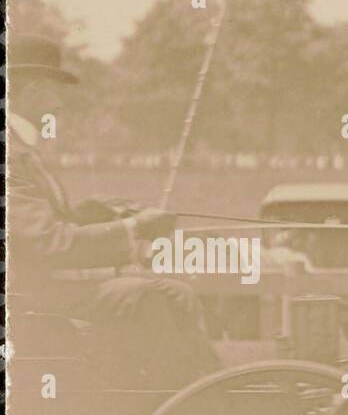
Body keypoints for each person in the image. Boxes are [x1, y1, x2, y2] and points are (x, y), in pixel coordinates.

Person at [7, 34, 220, 388]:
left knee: (178, 293)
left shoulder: (22, 149)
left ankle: (210, 390)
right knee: (143, 295)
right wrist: (133, 228)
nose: (59, 104)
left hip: (43, 289)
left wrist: (100, 211)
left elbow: (46, 221)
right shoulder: (12, 153)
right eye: (55, 91)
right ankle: (181, 405)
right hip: (29, 297)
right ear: (33, 89)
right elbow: (50, 242)